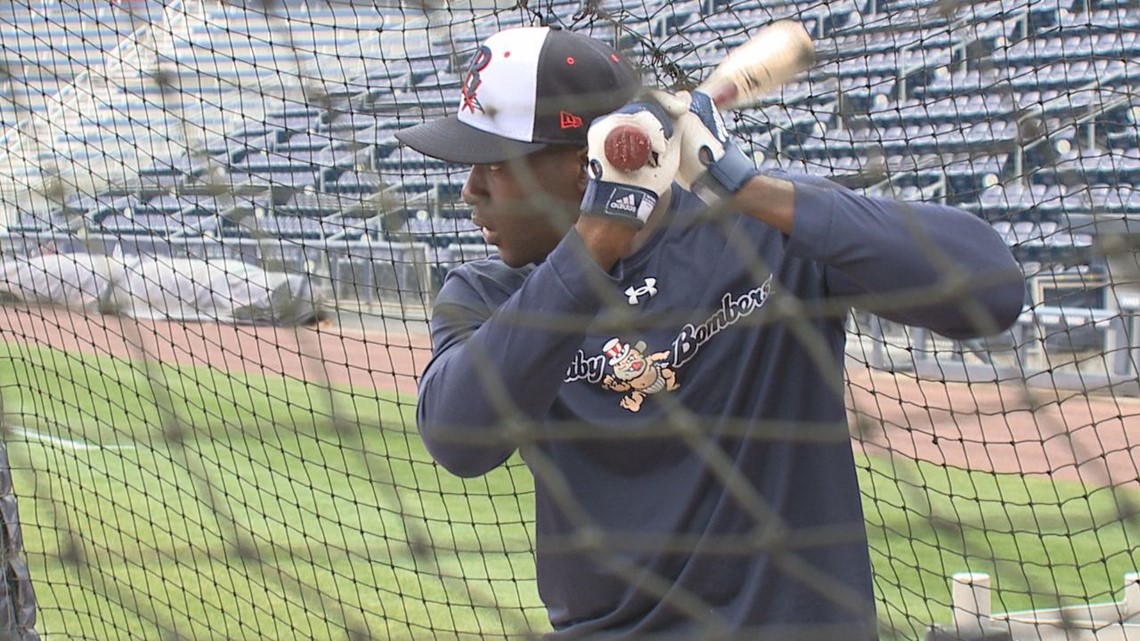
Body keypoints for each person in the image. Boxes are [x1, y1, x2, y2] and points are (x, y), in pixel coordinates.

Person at [397, 24, 1025, 640]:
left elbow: (992, 290)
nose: (469, 189)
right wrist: (599, 237)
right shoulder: (487, 295)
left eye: (493, 166)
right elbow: (460, 438)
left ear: (583, 165)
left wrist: (746, 188)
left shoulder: (762, 234)